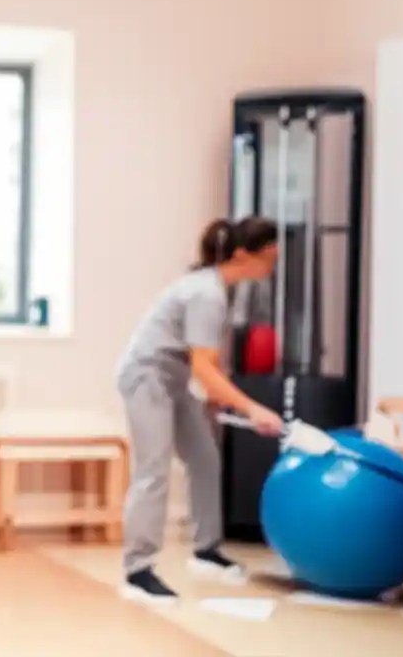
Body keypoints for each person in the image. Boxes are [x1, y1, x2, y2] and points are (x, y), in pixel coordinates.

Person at [114, 216, 286, 604]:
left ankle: (207, 550)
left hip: (172, 379)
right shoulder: (206, 293)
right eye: (269, 258)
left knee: (205, 458)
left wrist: (217, 397)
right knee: (153, 470)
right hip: (147, 378)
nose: (272, 267)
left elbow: (204, 359)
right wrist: (252, 409)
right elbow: (203, 367)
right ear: (243, 255)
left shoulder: (219, 289)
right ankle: (138, 570)